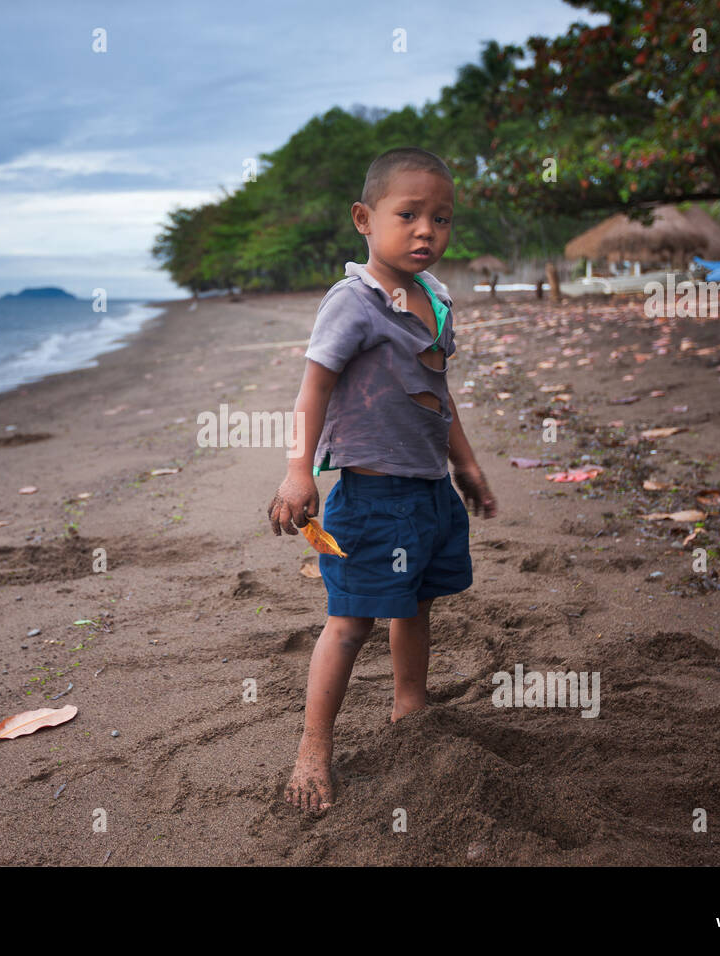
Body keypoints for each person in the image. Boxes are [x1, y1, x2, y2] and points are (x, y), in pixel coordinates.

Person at [266, 146, 498, 813]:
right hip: (371, 500)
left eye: (442, 218)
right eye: (409, 215)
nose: (427, 230)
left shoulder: (435, 302)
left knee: (417, 604)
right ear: (365, 219)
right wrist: (296, 473)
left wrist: (468, 467)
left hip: (431, 495)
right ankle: (314, 746)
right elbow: (312, 391)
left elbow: (439, 395)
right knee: (350, 621)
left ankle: (410, 705)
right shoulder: (353, 302)